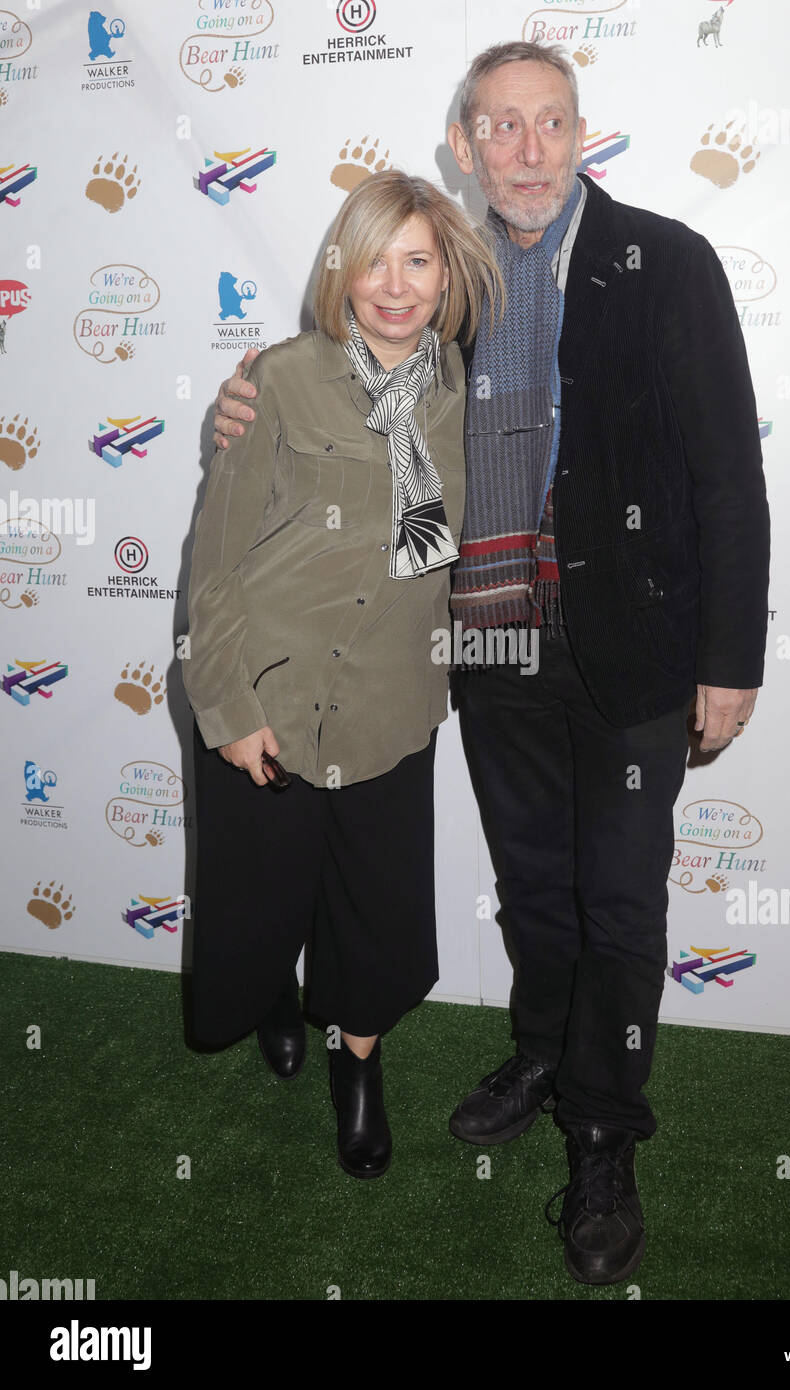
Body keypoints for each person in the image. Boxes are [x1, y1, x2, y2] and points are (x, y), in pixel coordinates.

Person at [213, 42, 770, 1284]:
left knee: (618, 903)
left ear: (583, 136)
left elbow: (732, 470)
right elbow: (346, 383)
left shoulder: (666, 262)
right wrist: (238, 404)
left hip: (634, 644)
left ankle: (605, 1133)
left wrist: (731, 657)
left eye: (550, 125)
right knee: (534, 887)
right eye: (500, 128)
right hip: (491, 635)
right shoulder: (448, 279)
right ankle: (539, 1050)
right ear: (466, 143)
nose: (526, 151)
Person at [184, 169, 502, 1181]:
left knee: (376, 911)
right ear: (341, 268)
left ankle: (356, 1066)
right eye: (376, 260)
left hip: (390, 702)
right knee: (260, 898)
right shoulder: (277, 380)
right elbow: (215, 558)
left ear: (447, 273)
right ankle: (273, 991)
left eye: (419, 261)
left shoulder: (467, 389)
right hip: (270, 690)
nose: (396, 286)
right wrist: (229, 705)